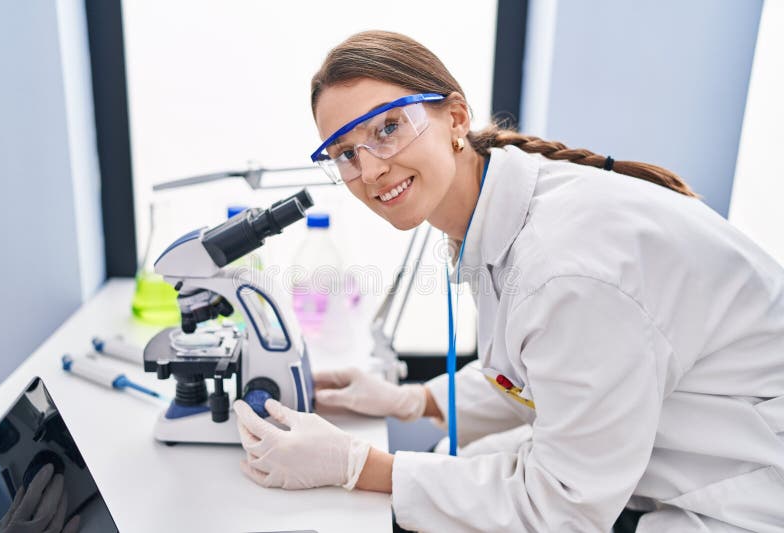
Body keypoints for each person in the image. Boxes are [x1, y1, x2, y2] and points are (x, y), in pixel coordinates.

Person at [232, 30, 784, 532]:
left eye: (388, 128)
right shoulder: (501, 205)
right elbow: (547, 369)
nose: (370, 169)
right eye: (346, 154)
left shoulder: (564, 267)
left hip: (742, 495)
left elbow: (561, 508)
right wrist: (411, 400)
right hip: (665, 457)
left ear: (454, 116)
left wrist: (360, 466)